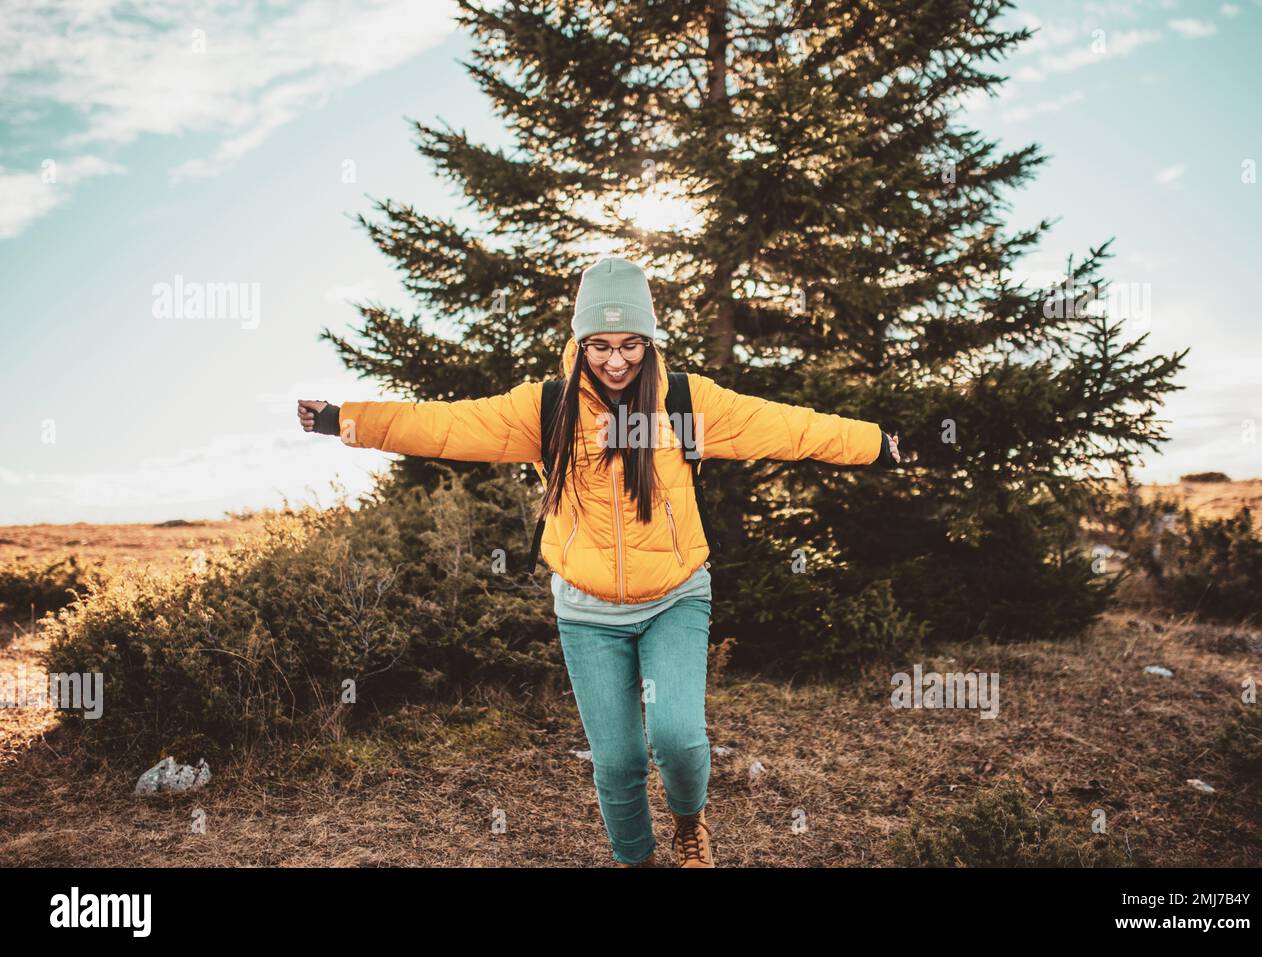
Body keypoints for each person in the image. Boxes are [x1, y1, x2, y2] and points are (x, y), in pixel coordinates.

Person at [297, 256, 902, 868]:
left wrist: (875, 442)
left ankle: (690, 824)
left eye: (631, 346)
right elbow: (443, 426)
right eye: (601, 346)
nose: (616, 362)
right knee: (617, 762)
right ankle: (633, 859)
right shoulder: (548, 411)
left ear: (650, 342)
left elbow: (787, 427)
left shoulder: (686, 404)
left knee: (678, 740)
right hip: (587, 613)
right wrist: (339, 419)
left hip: (674, 598)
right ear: (580, 342)